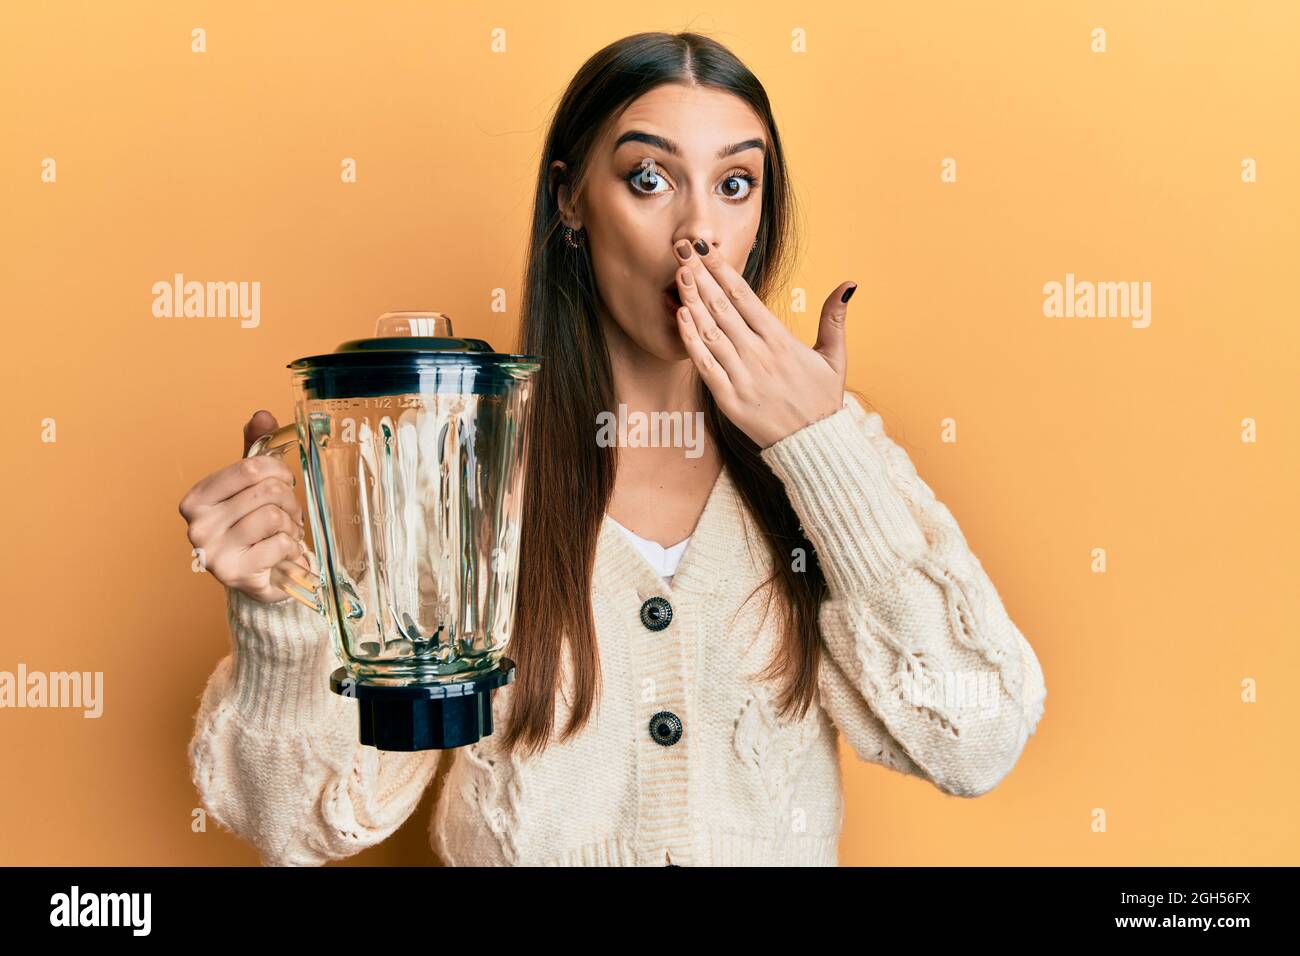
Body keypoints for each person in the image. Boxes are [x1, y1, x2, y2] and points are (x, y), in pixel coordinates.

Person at [181, 30, 1046, 867]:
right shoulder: (457, 467)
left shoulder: (830, 453)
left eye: (736, 184)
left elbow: (978, 741)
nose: (699, 231)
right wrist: (278, 612)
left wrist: (818, 448)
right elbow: (304, 823)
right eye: (649, 179)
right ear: (570, 200)